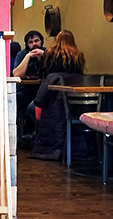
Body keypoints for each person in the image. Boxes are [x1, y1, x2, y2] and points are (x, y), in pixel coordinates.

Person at [30, 30, 88, 161]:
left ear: (57, 40)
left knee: (30, 108)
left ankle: (33, 137)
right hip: (74, 102)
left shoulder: (50, 53)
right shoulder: (78, 55)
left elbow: (43, 76)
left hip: (53, 100)